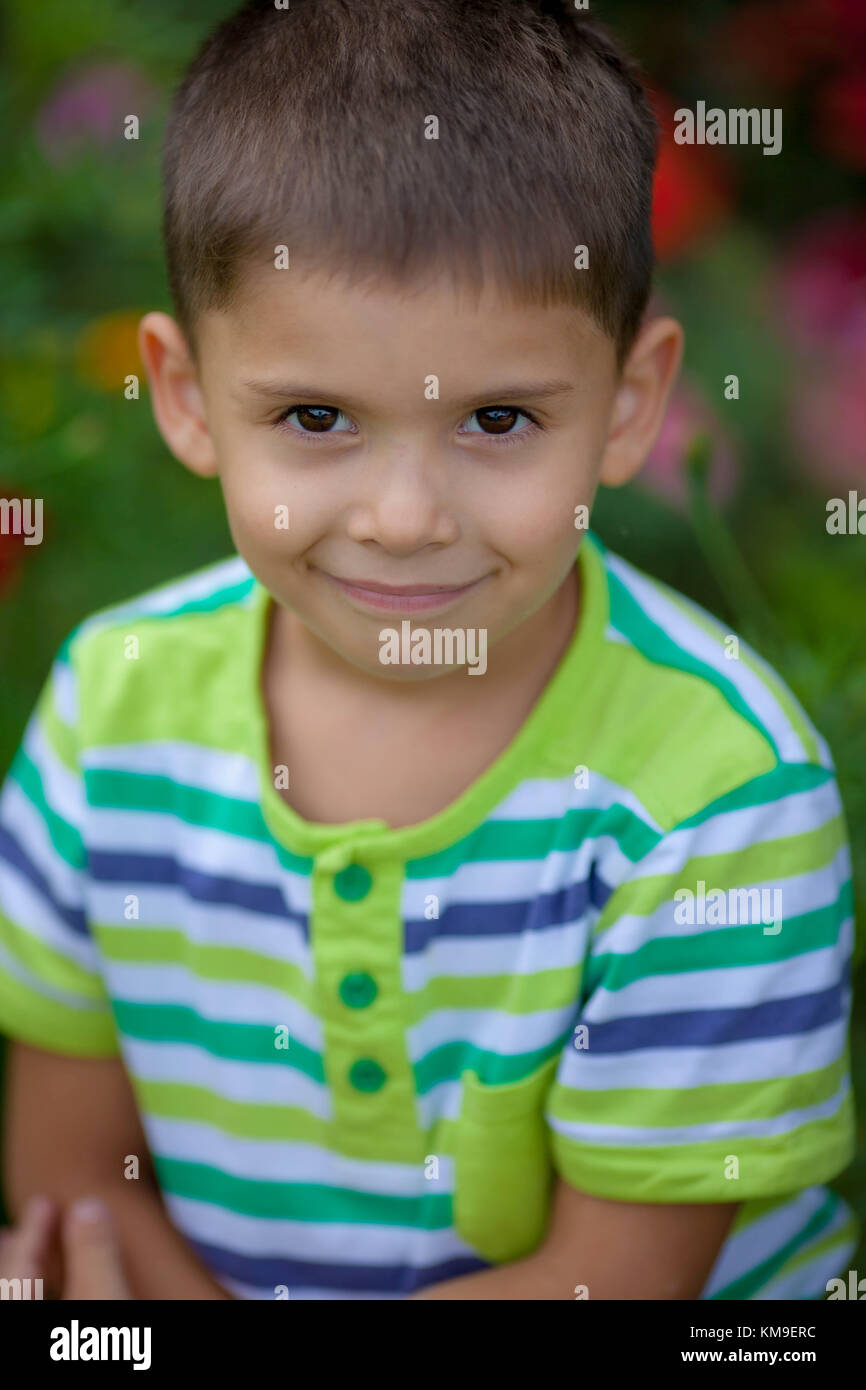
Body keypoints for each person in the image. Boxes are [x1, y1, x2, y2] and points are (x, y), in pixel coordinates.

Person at [0, 0, 856, 1300]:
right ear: (187, 399)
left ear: (630, 406)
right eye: (315, 417)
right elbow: (70, 1179)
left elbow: (616, 1280)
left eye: (498, 420)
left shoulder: (714, 793)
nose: (403, 520)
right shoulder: (109, 708)